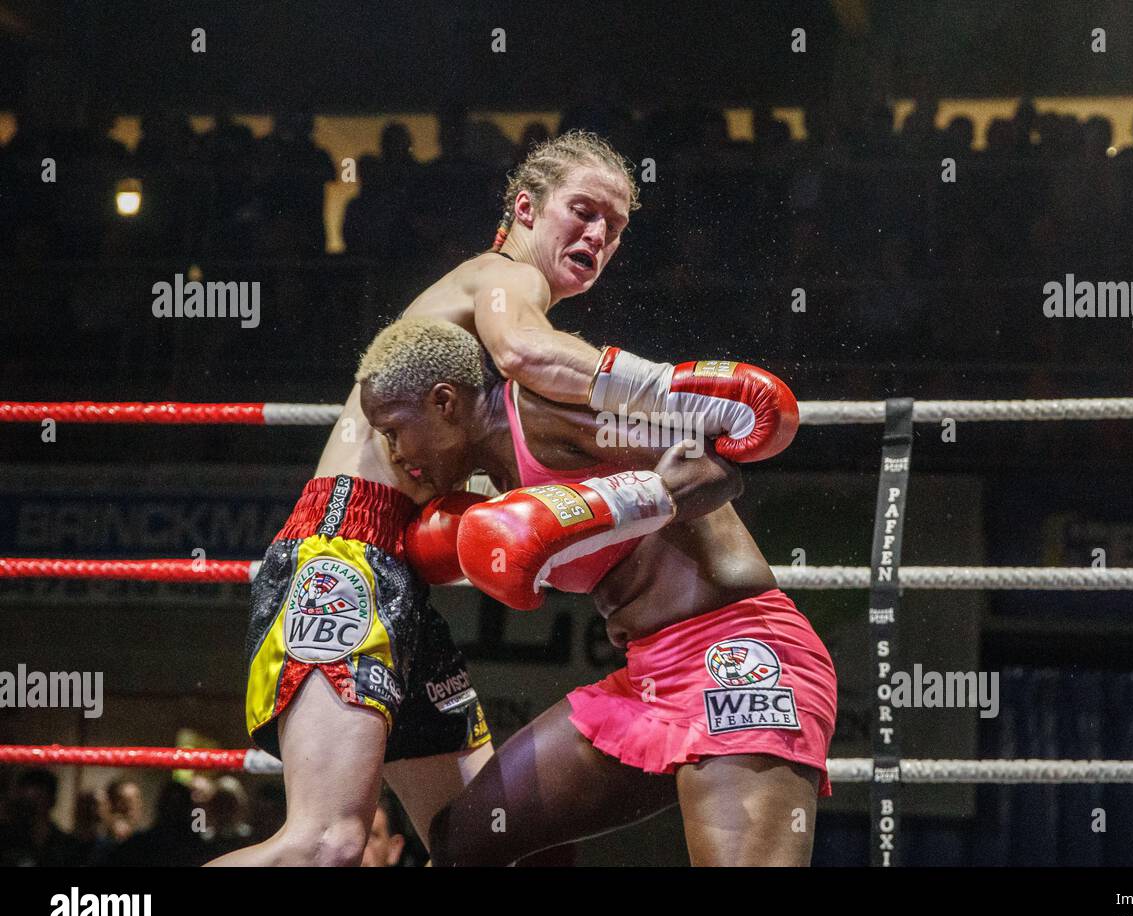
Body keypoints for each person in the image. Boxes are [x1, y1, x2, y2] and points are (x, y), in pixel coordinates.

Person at [211, 130, 793, 866]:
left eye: (613, 229)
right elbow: (525, 348)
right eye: (582, 212)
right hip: (346, 552)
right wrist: (678, 392)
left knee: (491, 847)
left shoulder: (510, 385)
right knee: (325, 844)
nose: (597, 235)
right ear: (525, 207)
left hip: (405, 574)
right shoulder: (503, 278)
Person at [357, 316, 831, 866]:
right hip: (647, 678)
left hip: (739, 653)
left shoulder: (539, 414)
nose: (395, 454)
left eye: (394, 430)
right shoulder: (493, 485)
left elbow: (712, 470)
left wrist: (595, 506)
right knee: (466, 839)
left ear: (444, 403)